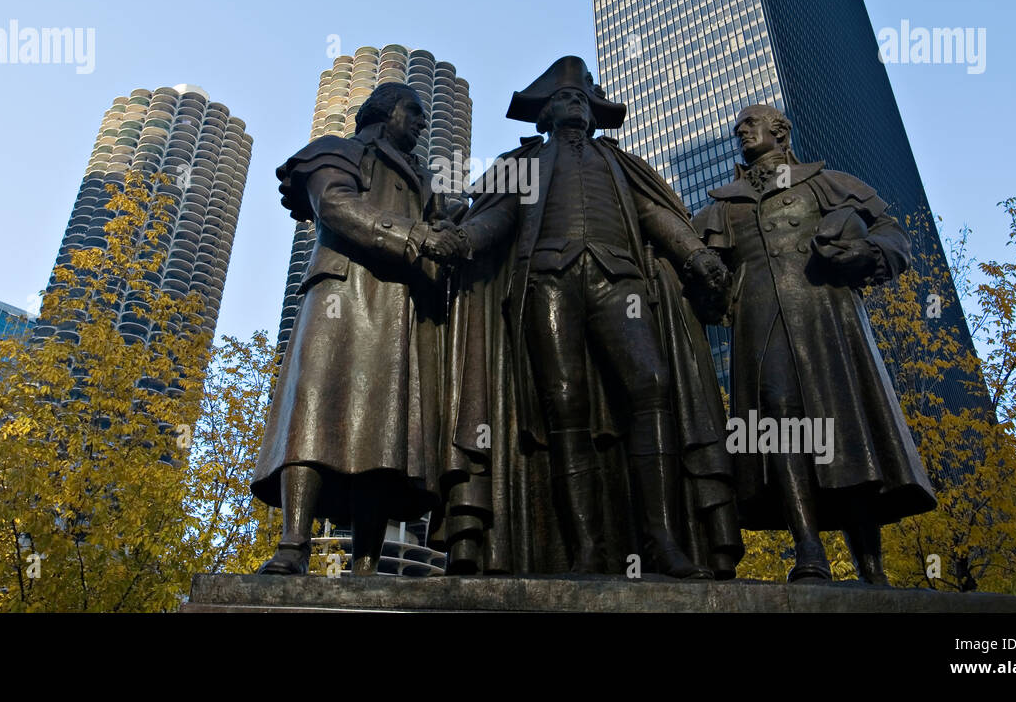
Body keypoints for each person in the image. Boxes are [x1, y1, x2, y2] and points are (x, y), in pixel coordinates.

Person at [442, 56, 741, 579]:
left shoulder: (619, 164)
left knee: (651, 384)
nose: (574, 103)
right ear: (545, 114)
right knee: (564, 405)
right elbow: (497, 217)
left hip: (619, 281)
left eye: (582, 97)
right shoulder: (522, 163)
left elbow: (657, 216)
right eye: (563, 98)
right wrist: (464, 238)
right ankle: (585, 548)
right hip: (548, 283)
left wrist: (695, 255)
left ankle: (663, 539)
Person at [693, 103, 936, 583]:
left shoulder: (826, 183)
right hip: (760, 325)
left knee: (842, 425)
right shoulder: (723, 205)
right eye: (738, 129)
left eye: (751, 125)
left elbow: (892, 234)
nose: (741, 133)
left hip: (825, 317)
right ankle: (808, 550)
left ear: (779, 131)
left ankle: (872, 565)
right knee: (777, 420)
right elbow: (694, 268)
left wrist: (865, 252)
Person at [250, 82, 469, 574]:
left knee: (383, 435)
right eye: (412, 111)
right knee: (313, 413)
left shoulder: (421, 182)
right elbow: (335, 206)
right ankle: (292, 547)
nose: (421, 123)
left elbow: (450, 225)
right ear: (384, 110)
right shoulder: (337, 151)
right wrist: (416, 236)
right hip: (341, 296)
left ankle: (367, 565)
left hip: (399, 311)